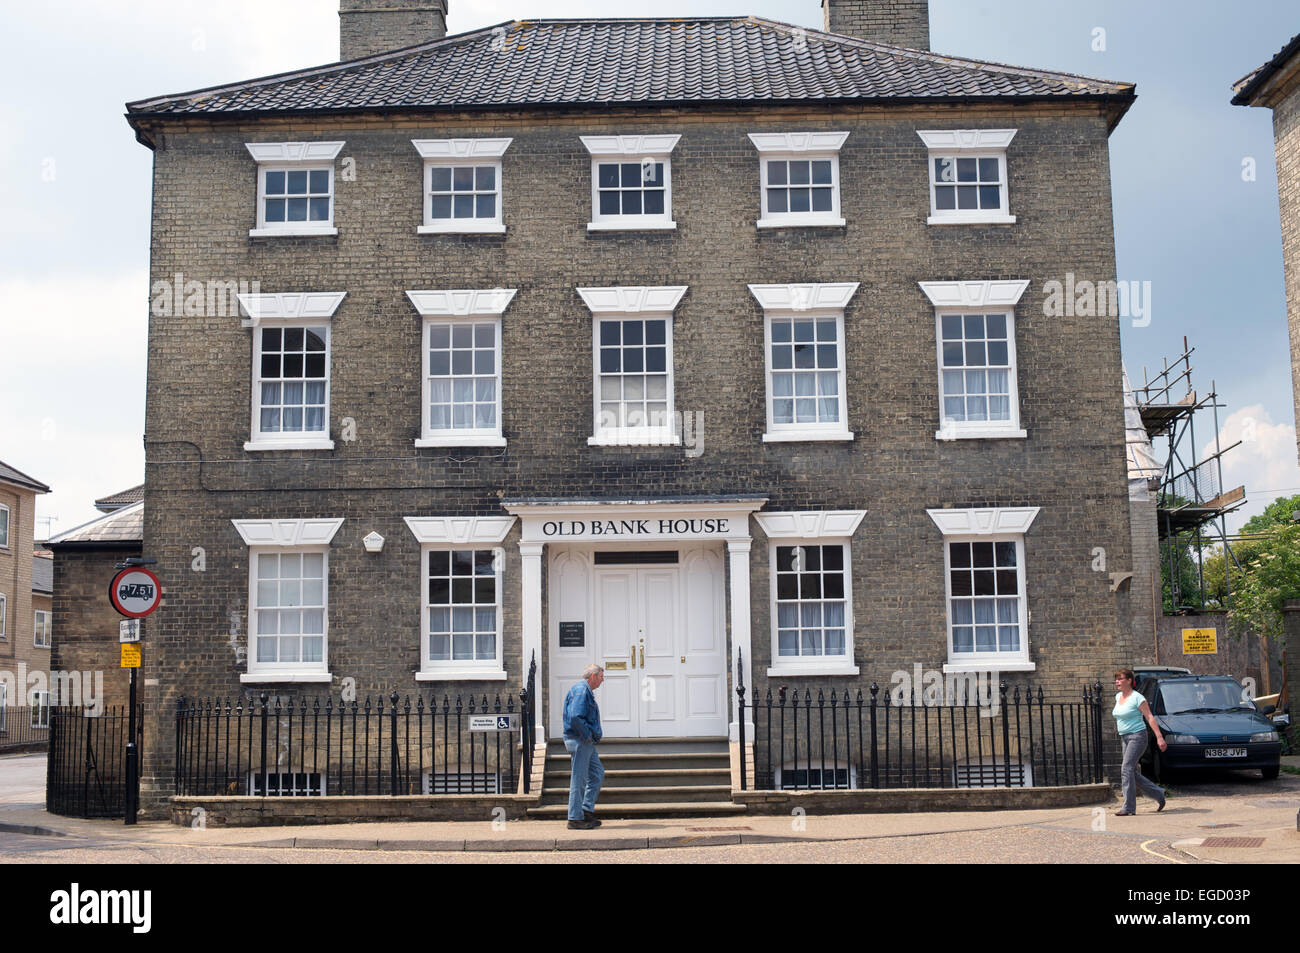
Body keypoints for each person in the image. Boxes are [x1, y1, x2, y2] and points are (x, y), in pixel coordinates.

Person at [1112, 668, 1167, 815]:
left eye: (1120, 678)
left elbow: (1149, 717)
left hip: (1138, 736)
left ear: (1129, 680)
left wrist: (1159, 737)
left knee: (1126, 769)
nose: (1117, 681)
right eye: (1116, 679)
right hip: (1125, 737)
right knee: (1131, 771)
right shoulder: (1118, 697)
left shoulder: (1138, 698)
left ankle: (1128, 807)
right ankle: (1158, 793)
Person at [563, 664, 605, 830]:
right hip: (580, 740)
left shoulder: (585, 691)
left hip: (585, 741)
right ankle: (574, 818)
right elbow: (575, 717)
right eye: (601, 676)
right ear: (593, 676)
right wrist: (587, 735)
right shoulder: (581, 691)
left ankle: (585, 810)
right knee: (578, 780)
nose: (603, 680)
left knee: (597, 773)